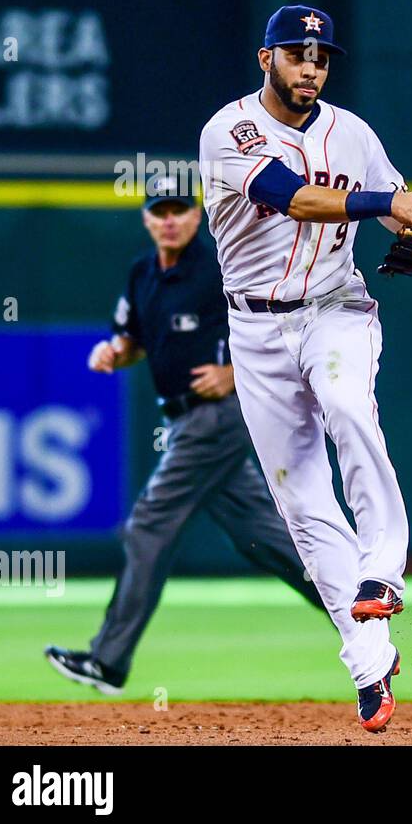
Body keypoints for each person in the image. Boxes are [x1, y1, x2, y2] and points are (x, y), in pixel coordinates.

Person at [197, 5, 412, 732]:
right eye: (296, 52)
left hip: (334, 309)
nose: (310, 65)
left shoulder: (356, 134)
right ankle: (368, 660)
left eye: (320, 55)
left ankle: (384, 568)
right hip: (253, 327)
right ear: (266, 60)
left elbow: (400, 213)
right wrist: (389, 201)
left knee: (348, 405)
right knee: (303, 503)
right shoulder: (230, 129)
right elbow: (291, 197)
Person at [45, 176, 326, 695]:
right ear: (148, 218)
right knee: (264, 538)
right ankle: (362, 619)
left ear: (197, 217)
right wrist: (114, 353)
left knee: (148, 525)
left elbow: (285, 328)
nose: (170, 219)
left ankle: (108, 662)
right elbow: (132, 340)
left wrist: (234, 375)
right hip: (183, 417)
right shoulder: (142, 274)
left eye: (180, 209)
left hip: (219, 415)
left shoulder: (223, 267)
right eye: (161, 210)